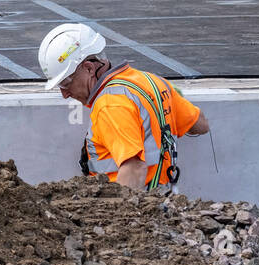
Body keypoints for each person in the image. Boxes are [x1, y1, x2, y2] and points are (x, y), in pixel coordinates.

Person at [39, 23, 210, 190]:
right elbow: (200, 125)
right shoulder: (151, 81)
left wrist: (120, 215)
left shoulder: (110, 105)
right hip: (163, 199)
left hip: (136, 209)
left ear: (89, 68)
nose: (65, 94)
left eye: (65, 83)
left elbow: (134, 168)